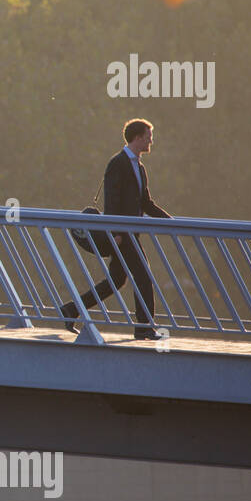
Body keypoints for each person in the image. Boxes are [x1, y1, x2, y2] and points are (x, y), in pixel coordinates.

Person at [61, 118, 172, 340]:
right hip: (123, 234)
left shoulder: (139, 167)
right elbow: (111, 201)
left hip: (130, 232)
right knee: (143, 275)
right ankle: (144, 328)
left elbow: (145, 203)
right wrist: (115, 233)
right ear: (138, 137)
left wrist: (171, 221)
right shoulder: (118, 163)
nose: (151, 140)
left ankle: (72, 309)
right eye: (149, 136)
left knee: (116, 281)